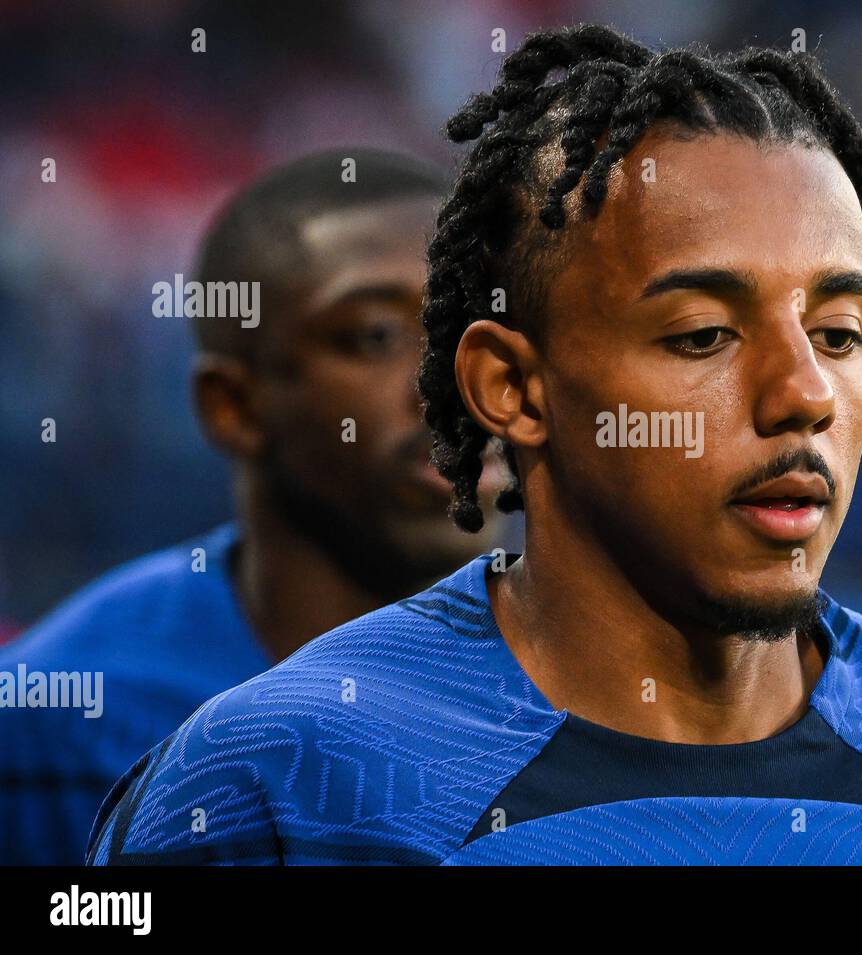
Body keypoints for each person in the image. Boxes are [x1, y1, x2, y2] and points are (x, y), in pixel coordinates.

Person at [88, 27, 862, 866]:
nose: (803, 394)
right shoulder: (275, 782)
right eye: (701, 337)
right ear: (512, 387)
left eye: (839, 333)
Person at [0, 148, 504, 864]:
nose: (454, 386)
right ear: (233, 406)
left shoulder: (640, 691)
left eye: (479, 327)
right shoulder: (55, 727)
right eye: (376, 336)